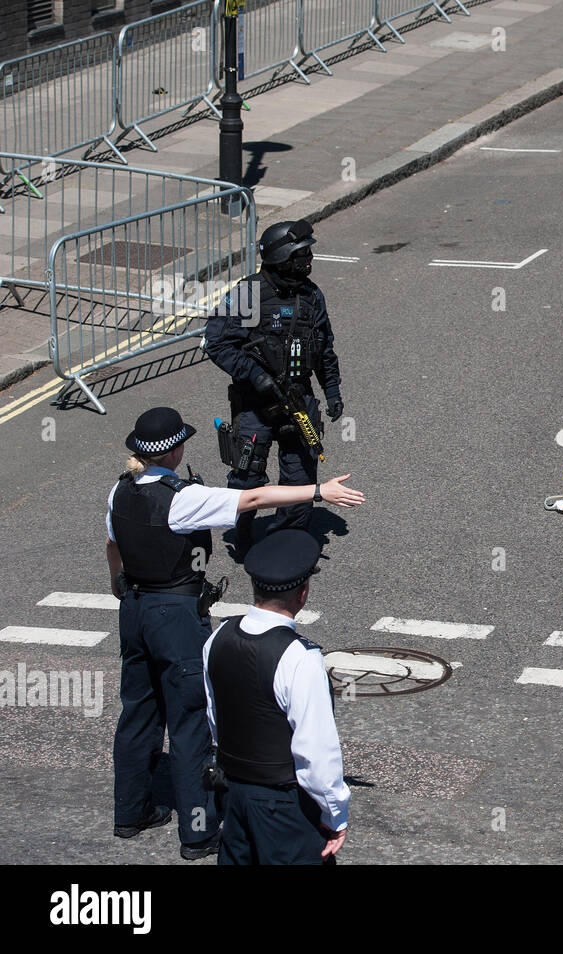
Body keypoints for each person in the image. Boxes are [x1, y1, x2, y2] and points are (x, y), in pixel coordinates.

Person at [106, 407, 364, 859]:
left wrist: (119, 586)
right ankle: (198, 832)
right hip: (175, 613)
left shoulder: (120, 490)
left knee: (138, 712)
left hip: (135, 610)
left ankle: (130, 812)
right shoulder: (181, 498)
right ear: (174, 448)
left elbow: (112, 544)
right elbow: (253, 499)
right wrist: (319, 490)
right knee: (188, 724)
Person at [203, 530, 350, 865]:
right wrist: (335, 813)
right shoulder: (300, 657)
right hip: (284, 807)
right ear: (302, 593)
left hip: (234, 793)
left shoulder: (218, 636)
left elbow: (215, 718)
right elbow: (315, 752)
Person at [203, 218, 345, 556]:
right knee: (247, 476)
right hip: (255, 403)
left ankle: (287, 543)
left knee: (301, 479)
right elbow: (217, 344)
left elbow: (324, 347)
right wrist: (257, 376)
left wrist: (333, 390)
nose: (309, 259)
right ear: (283, 257)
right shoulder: (249, 294)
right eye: (302, 254)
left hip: (299, 401)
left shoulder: (311, 296)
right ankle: (245, 536)